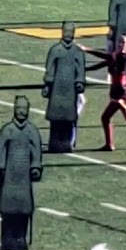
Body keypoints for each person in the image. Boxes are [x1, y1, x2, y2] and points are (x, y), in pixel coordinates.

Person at [0, 96, 43, 250]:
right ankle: (7, 239)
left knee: (22, 210)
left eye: (24, 109)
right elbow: (0, 150)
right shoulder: (8, 130)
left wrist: (36, 167)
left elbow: (36, 151)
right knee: (8, 211)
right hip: (9, 176)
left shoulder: (31, 131)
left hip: (24, 178)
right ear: (14, 109)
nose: (21, 112)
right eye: (19, 109)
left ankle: (20, 238)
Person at [84, 38, 126, 151]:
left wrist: (87, 49)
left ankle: (109, 144)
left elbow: (106, 57)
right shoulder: (116, 57)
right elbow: (103, 63)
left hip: (119, 92)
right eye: (119, 42)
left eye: (123, 43)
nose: (120, 44)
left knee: (106, 117)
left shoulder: (122, 56)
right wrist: (85, 69)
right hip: (121, 91)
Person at [42, 21, 86, 153]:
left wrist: (79, 82)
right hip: (57, 87)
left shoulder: (77, 52)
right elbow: (49, 69)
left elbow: (81, 70)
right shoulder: (55, 50)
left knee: (68, 118)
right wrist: (47, 84)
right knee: (55, 118)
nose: (68, 34)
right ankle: (54, 143)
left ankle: (67, 142)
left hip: (70, 89)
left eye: (70, 32)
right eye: (66, 31)